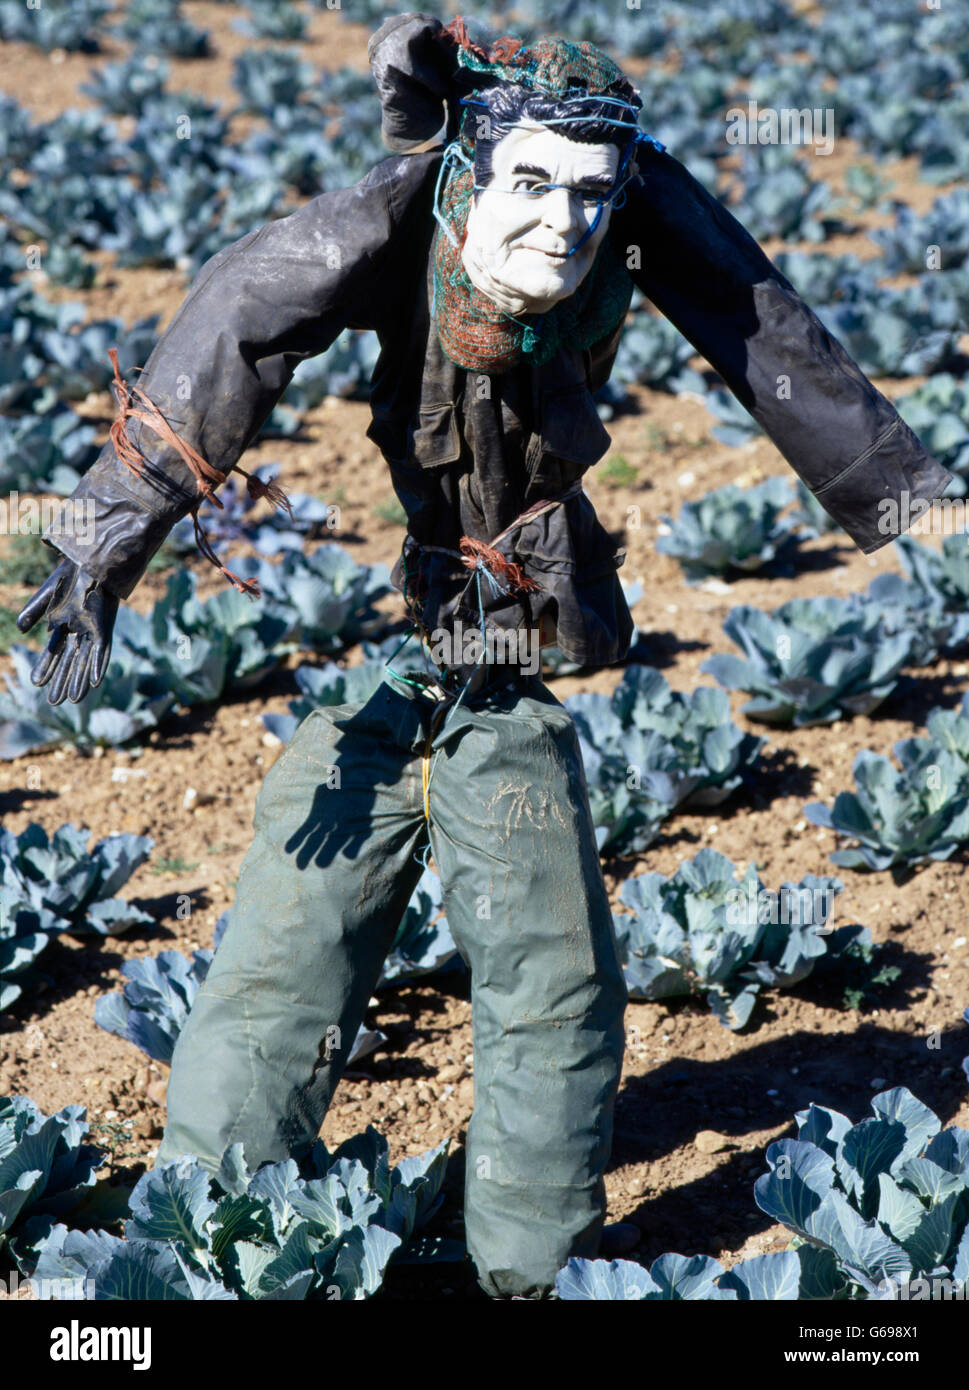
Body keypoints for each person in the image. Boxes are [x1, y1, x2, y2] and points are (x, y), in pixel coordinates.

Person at [15, 14, 952, 1298]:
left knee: (547, 971)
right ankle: (208, 1217)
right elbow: (223, 336)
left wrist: (923, 517)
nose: (563, 227)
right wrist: (96, 550)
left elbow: (776, 346)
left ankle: (530, 1269)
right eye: (529, 185)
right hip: (423, 637)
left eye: (589, 196)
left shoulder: (647, 214)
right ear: (470, 169)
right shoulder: (380, 224)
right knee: (295, 942)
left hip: (504, 641)